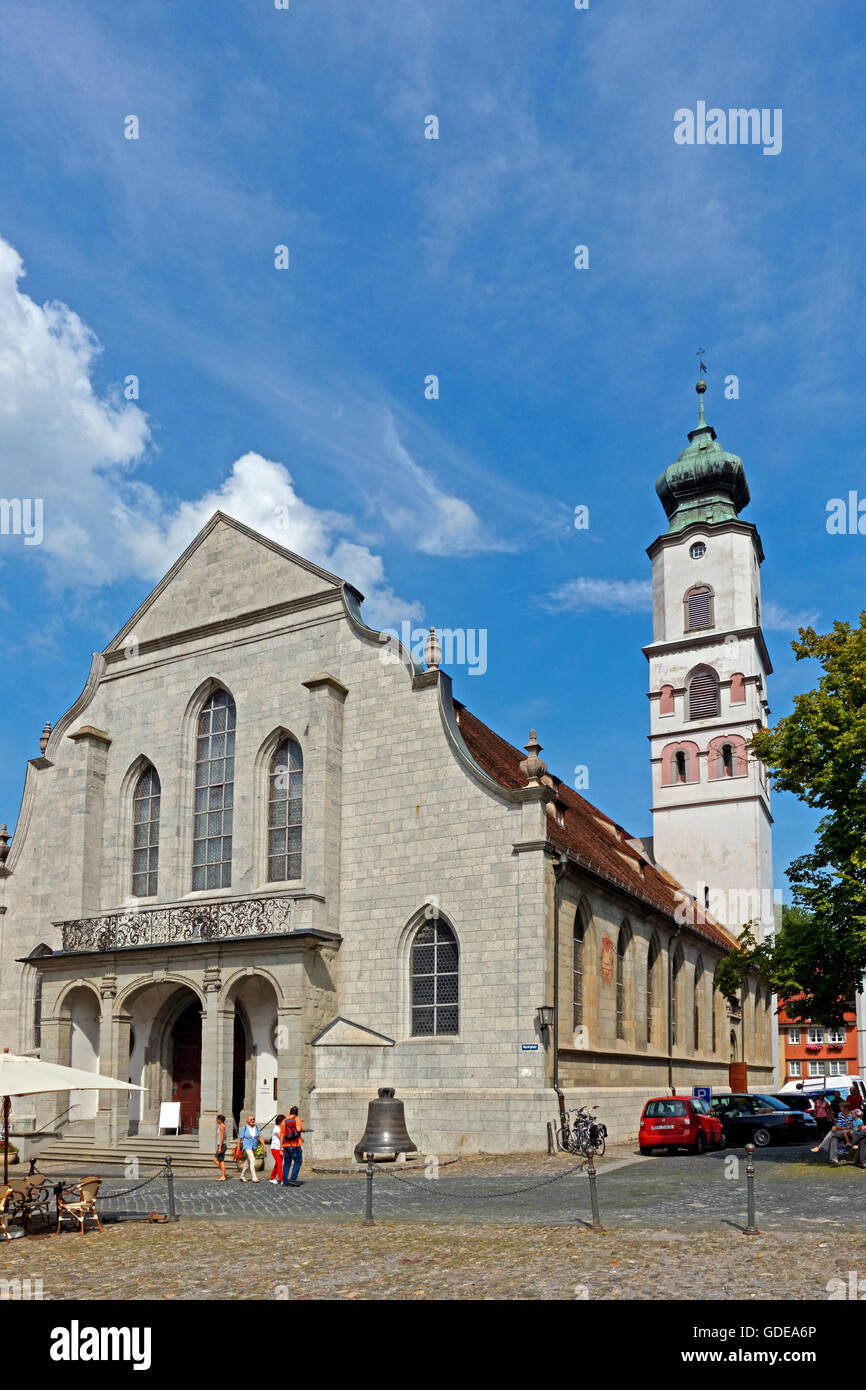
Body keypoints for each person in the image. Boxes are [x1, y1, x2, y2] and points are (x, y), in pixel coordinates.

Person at [280, 1106, 304, 1187]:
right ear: (297, 1113)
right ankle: (293, 1179)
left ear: (289, 1112)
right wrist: (301, 1129)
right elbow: (298, 1129)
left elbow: (282, 1134)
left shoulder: (284, 1121)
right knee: (298, 1162)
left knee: (287, 1163)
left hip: (286, 1145)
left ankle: (285, 1181)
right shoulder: (297, 1119)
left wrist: (281, 1146)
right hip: (295, 1145)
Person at [239, 1113, 263, 1183]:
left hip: (254, 1146)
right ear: (248, 1121)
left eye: (253, 1119)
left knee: (247, 1162)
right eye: (251, 1119)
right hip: (247, 1146)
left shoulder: (256, 1127)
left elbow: (260, 1137)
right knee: (252, 1159)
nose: (252, 1120)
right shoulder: (244, 1128)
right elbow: (240, 1139)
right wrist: (238, 1149)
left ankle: (242, 1176)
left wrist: (264, 1146)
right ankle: (254, 1177)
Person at [269, 1114, 285, 1185]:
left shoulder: (281, 1128)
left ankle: (272, 1178)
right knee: (279, 1164)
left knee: (277, 1164)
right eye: (284, 1121)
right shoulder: (276, 1128)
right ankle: (282, 1180)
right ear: (280, 1121)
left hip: (280, 1148)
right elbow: (280, 1137)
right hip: (275, 1148)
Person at [213, 1113, 228, 1182]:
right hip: (221, 1145)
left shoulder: (222, 1127)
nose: (216, 1120)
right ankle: (224, 1173)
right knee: (217, 1160)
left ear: (220, 1120)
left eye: (217, 1119)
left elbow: (221, 1138)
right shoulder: (222, 1126)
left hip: (221, 1146)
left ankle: (223, 1176)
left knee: (220, 1161)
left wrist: (219, 1148)